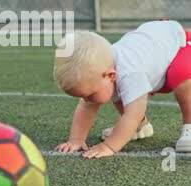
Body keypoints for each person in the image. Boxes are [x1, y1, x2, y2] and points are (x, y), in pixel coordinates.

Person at [53, 20, 191, 159]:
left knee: (181, 73)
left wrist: (109, 146)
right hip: (156, 52)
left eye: (89, 95)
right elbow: (86, 107)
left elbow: (133, 114)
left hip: (181, 46)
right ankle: (141, 127)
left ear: (110, 75)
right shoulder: (103, 68)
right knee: (115, 91)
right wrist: (76, 140)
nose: (87, 100)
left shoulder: (130, 73)